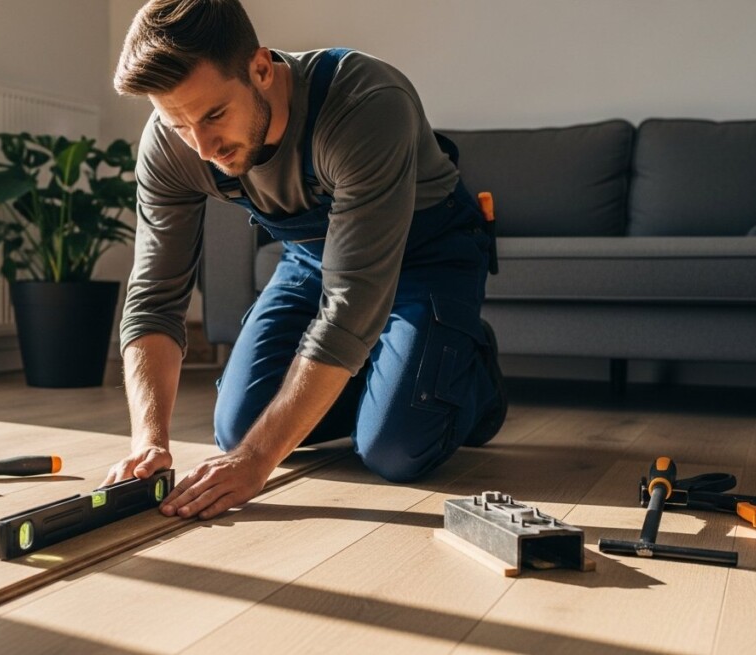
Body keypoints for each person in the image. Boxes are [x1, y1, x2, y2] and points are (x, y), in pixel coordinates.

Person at [101, 0, 505, 520]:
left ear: (262, 69)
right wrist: (148, 441)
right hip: (313, 258)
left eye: (214, 115)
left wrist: (257, 460)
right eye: (178, 124)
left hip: (426, 255)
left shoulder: (366, 103)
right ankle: (392, 373)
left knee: (394, 448)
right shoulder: (173, 144)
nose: (201, 147)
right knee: (237, 427)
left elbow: (351, 301)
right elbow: (154, 298)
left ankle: (468, 371)